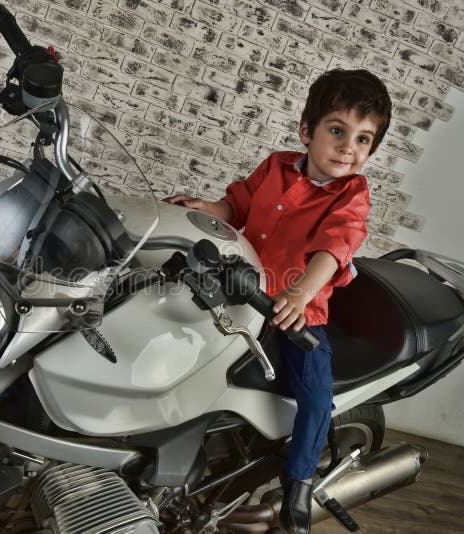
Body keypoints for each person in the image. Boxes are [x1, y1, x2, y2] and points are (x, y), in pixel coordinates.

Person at [165, 69, 392, 533]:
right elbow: (240, 205)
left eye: (364, 140)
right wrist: (210, 210)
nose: (349, 148)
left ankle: (299, 486)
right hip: (238, 292)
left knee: (315, 395)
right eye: (337, 130)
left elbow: (336, 246)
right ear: (307, 131)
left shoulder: (354, 194)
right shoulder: (275, 167)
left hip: (295, 311)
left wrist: (301, 291)